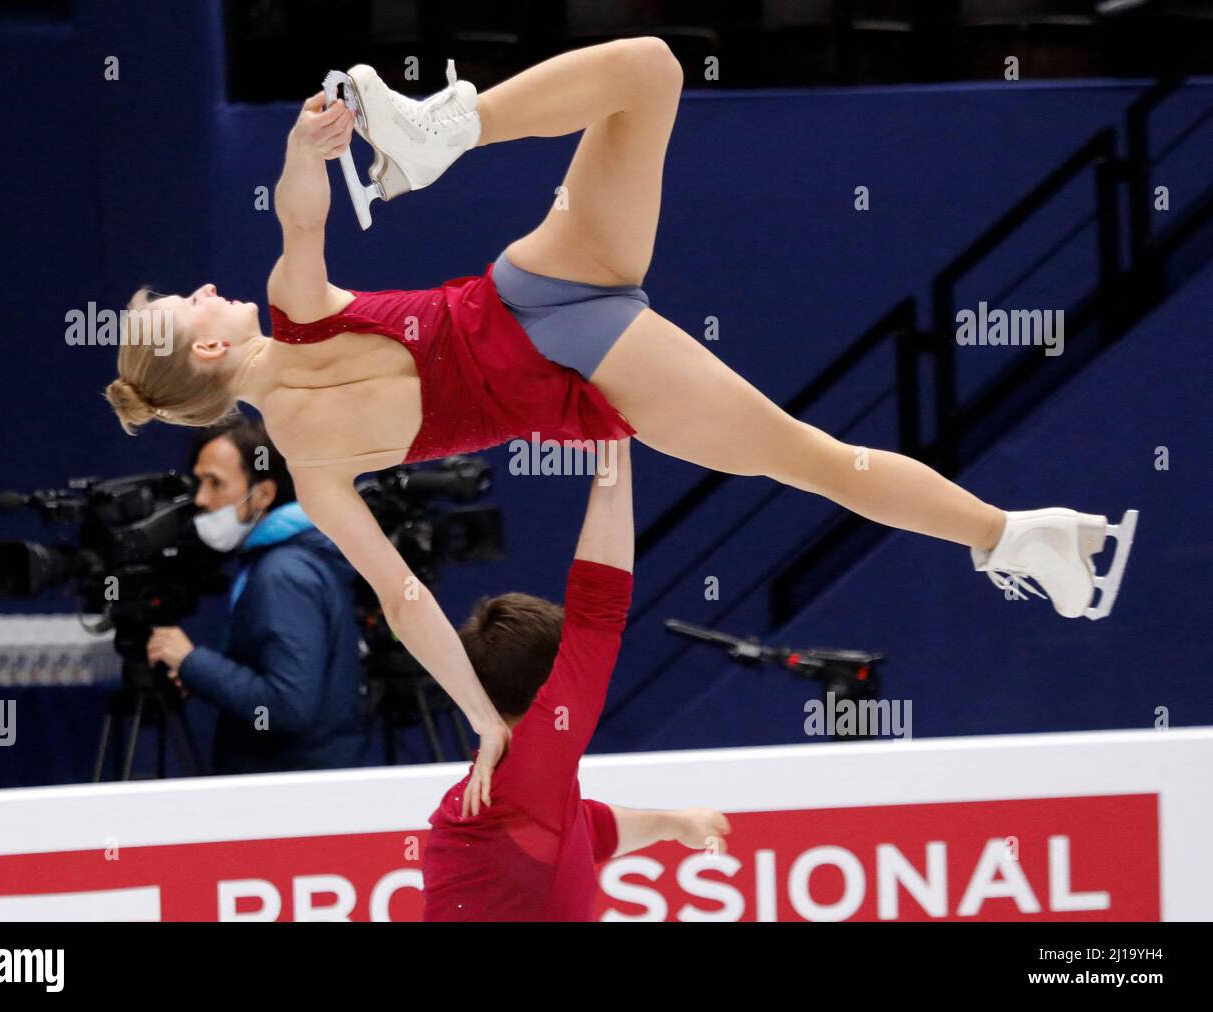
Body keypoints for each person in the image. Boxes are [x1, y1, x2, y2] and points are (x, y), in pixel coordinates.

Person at [107, 38, 1137, 808]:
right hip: (560, 328)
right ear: (204, 352)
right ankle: (1017, 534)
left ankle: (1011, 536)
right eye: (190, 304)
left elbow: (407, 597)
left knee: (651, 85)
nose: (203, 288)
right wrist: (298, 144)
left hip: (557, 330)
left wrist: (484, 722)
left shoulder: (311, 459)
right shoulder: (296, 312)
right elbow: (299, 211)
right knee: (649, 74)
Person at [422, 439, 731, 921]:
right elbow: (597, 611)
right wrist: (615, 448)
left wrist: (674, 824)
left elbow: (588, 828)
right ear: (550, 690)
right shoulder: (526, 777)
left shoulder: (514, 797)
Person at [146, 415, 374, 774]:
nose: (202, 499)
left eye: (215, 483)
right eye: (198, 483)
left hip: (292, 801)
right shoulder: (291, 559)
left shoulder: (282, 574)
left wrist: (192, 662)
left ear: (264, 493)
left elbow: (287, 707)